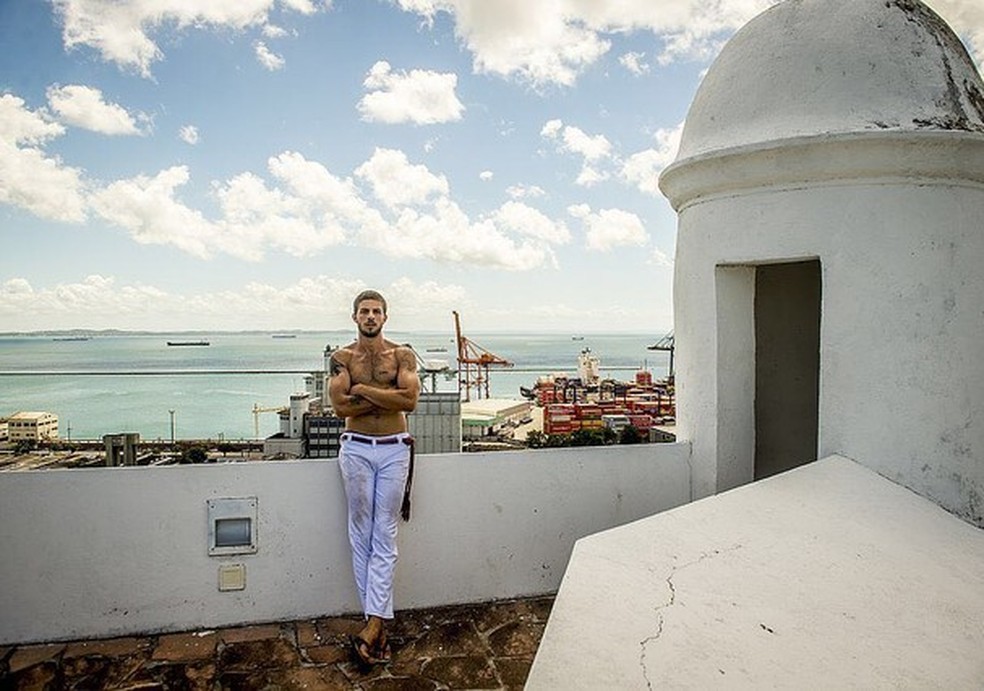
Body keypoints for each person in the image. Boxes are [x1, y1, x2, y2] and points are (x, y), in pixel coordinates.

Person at [328, 289, 420, 667]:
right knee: (360, 531)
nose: (370, 316)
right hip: (356, 448)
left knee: (385, 532)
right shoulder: (341, 358)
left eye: (376, 312)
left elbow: (410, 401)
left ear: (385, 317)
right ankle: (376, 627)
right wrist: (387, 394)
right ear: (354, 317)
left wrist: (362, 389)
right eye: (364, 311)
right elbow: (338, 407)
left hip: (395, 448)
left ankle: (373, 624)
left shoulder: (402, 355)